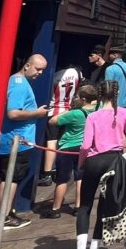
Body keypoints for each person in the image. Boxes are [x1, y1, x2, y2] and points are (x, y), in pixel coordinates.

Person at [72, 79, 126, 249]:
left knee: (84, 205)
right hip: (114, 161)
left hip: (93, 160)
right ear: (117, 94)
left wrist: (82, 162)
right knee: (103, 207)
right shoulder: (124, 113)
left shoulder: (92, 116)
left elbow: (85, 146)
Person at [0, 54, 48, 231]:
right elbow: (13, 113)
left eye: (43, 70)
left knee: (0, 178)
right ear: (27, 65)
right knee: (11, 179)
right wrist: (36, 114)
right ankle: (4, 217)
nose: (40, 73)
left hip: (11, 139)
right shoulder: (19, 84)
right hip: (16, 140)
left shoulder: (17, 82)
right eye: (38, 69)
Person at [45, 84, 98, 219]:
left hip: (67, 148)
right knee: (79, 178)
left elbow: (52, 121)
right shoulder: (95, 112)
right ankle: (78, 207)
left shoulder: (75, 113)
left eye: (77, 96)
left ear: (84, 99)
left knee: (62, 179)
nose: (75, 98)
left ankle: (55, 208)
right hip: (83, 148)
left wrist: (67, 109)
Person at [40, 62, 83, 187]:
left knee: (51, 141)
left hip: (53, 110)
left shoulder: (55, 75)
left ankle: (48, 172)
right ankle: (60, 169)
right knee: (62, 140)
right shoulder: (77, 73)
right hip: (68, 110)